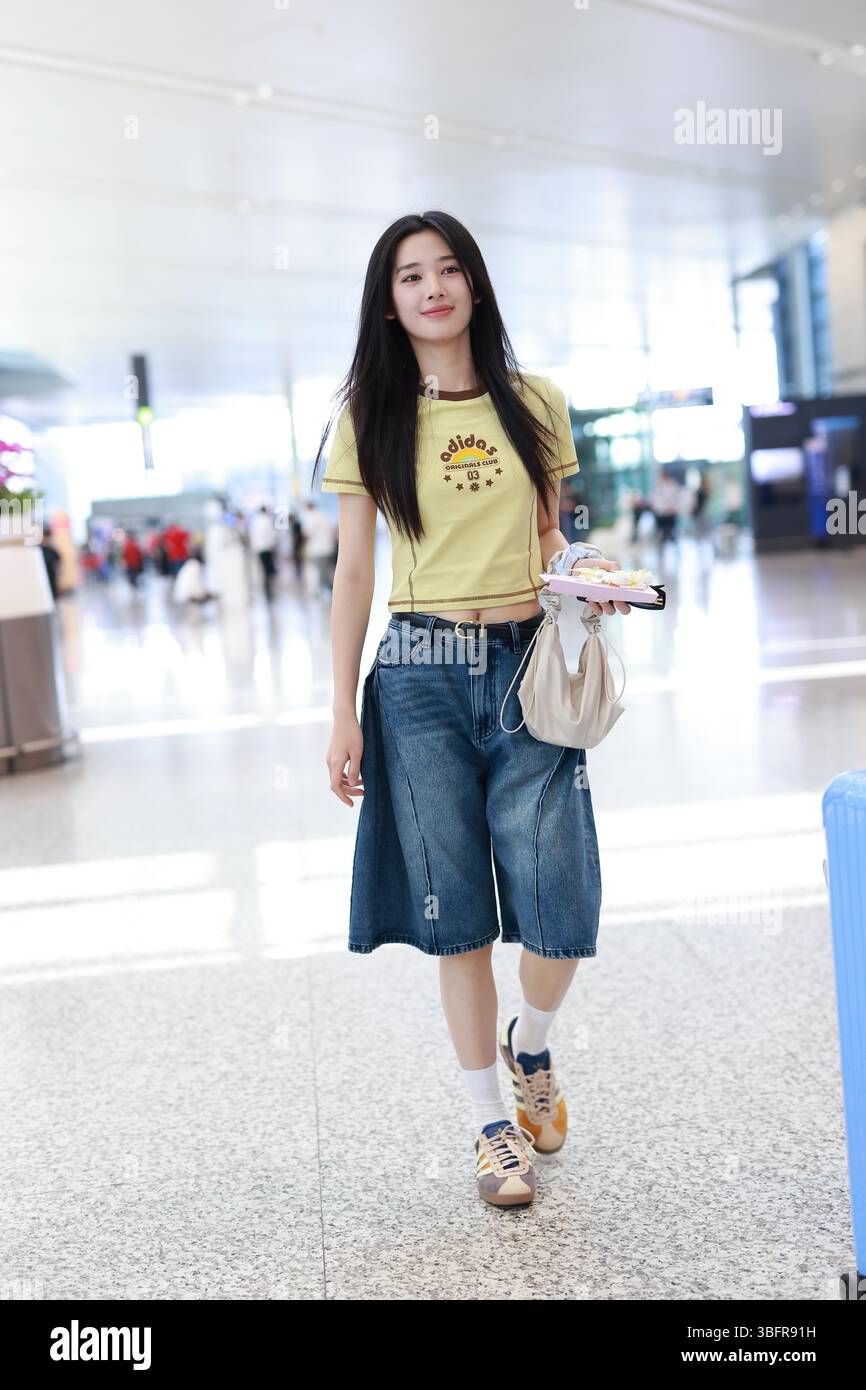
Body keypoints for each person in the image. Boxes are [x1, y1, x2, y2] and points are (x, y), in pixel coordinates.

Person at [312, 210, 633, 1210]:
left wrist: (588, 573)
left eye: (448, 269)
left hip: (527, 664)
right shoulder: (369, 416)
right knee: (454, 914)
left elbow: (548, 535)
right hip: (418, 670)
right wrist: (340, 710)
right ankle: (491, 1127)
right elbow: (352, 572)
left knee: (556, 899)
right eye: (410, 276)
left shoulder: (535, 401)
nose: (433, 288)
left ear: (475, 285)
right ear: (390, 302)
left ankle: (529, 1045)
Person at [299, 500, 337, 596]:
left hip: (318, 550)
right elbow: (332, 530)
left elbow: (308, 534)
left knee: (320, 573)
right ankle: (332, 591)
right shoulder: (323, 515)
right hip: (329, 548)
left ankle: (328, 592)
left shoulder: (310, 517)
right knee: (329, 570)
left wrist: (303, 544)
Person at [248, 504, 279, 602]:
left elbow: (252, 536)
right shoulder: (267, 520)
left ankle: (267, 591)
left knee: (264, 571)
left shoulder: (255, 522)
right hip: (267, 548)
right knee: (269, 571)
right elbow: (272, 535)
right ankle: (269, 591)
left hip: (258, 549)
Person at [650, 469, 682, 549]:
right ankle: (662, 548)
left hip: (671, 513)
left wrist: (671, 507)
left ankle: (674, 547)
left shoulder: (673, 485)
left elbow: (677, 498)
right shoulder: (658, 486)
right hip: (661, 513)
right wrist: (662, 508)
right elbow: (655, 500)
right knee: (662, 534)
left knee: (671, 533)